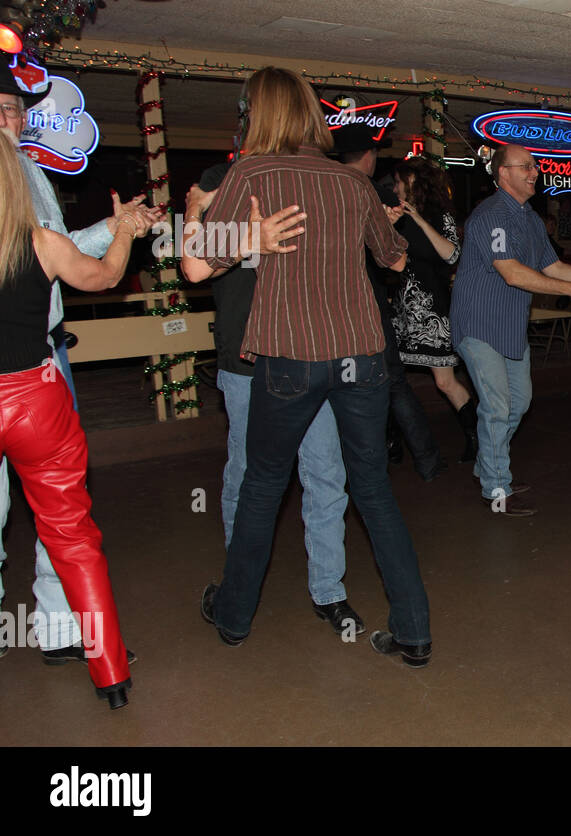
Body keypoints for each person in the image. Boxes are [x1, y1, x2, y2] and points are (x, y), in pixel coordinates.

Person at [181, 66, 432, 667]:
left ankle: (235, 616)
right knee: (371, 488)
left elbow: (193, 269)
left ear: (257, 115)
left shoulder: (253, 173)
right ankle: (414, 630)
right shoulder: (351, 184)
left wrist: (212, 222)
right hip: (363, 358)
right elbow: (395, 262)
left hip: (292, 359)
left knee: (264, 487)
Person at [0, 61, 158, 666]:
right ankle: (105, 665)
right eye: (1, 110)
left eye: (15, 109)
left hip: (41, 355)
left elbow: (57, 251)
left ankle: (61, 629)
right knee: (56, 515)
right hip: (32, 377)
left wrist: (115, 228)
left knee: (56, 515)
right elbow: (71, 259)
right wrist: (118, 235)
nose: (10, 119)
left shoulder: (35, 174)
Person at [195, 160, 362, 638]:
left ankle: (329, 590)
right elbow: (195, 264)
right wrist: (194, 211)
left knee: (326, 473)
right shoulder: (222, 181)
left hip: (308, 354)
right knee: (248, 476)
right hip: (245, 359)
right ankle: (238, 589)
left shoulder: (314, 181)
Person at [450, 143, 571, 517]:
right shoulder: (490, 216)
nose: (535, 172)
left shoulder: (530, 218)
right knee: (498, 407)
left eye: (535, 167)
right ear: (502, 173)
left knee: (519, 403)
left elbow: (553, 267)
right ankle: (496, 488)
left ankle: (489, 466)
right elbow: (512, 271)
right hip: (479, 324)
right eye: (526, 167)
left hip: (510, 327)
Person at [333, 124, 445, 482]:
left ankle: (362, 467)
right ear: (368, 156)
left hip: (328, 307)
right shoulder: (375, 193)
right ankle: (426, 462)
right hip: (368, 304)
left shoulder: (323, 189)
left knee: (337, 388)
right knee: (393, 383)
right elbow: (395, 260)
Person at [390, 155, 478, 463]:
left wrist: (418, 220)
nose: (395, 187)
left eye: (399, 181)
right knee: (389, 379)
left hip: (433, 312)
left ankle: (476, 436)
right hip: (399, 310)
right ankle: (393, 443)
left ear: (412, 182)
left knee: (444, 381)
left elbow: (452, 255)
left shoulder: (441, 216)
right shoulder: (392, 216)